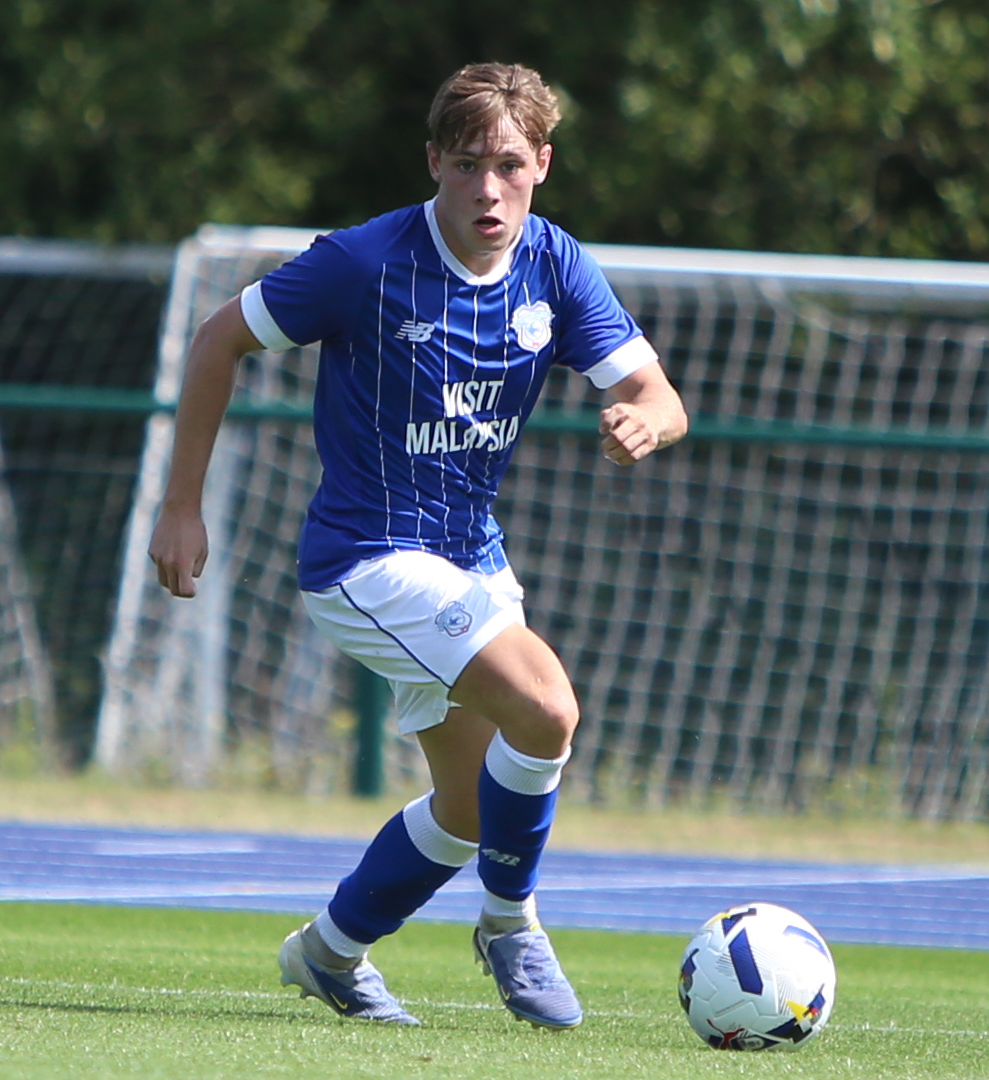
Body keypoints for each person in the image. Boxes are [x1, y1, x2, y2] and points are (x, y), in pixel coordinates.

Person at [148, 61, 687, 1029]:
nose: (489, 188)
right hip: (365, 560)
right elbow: (217, 339)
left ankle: (328, 952)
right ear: (433, 161)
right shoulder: (364, 264)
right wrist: (180, 504)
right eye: (469, 163)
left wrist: (645, 421)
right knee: (548, 709)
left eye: (510, 165)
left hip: (470, 559)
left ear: (543, 165)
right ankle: (510, 921)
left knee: (473, 809)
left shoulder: (554, 265)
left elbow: (661, 394)